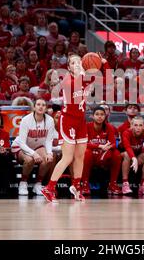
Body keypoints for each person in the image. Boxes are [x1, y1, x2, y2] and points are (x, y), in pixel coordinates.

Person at [41, 54, 92, 203]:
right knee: (68, 157)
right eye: (73, 63)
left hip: (81, 121)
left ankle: (77, 187)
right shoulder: (68, 81)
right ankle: (49, 188)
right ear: (69, 67)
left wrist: (103, 63)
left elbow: (104, 81)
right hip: (68, 121)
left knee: (80, 156)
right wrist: (84, 74)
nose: (76, 64)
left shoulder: (84, 78)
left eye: (79, 62)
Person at [11, 98, 55, 196]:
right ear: (34, 107)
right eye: (38, 104)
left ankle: (38, 184)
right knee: (29, 160)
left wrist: (49, 153)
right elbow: (22, 142)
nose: (41, 107)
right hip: (20, 146)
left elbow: (48, 140)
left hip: (37, 146)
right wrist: (34, 154)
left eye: (43, 105)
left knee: (48, 159)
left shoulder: (50, 120)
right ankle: (23, 183)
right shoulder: (26, 120)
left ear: (46, 108)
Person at [81, 106, 122, 195]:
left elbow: (114, 143)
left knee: (117, 154)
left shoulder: (109, 127)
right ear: (92, 116)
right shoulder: (87, 126)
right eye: (97, 114)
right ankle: (84, 184)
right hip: (91, 155)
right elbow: (83, 143)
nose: (100, 117)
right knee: (86, 152)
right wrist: (99, 146)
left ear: (105, 116)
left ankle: (113, 184)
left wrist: (108, 147)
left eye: (102, 115)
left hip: (103, 155)